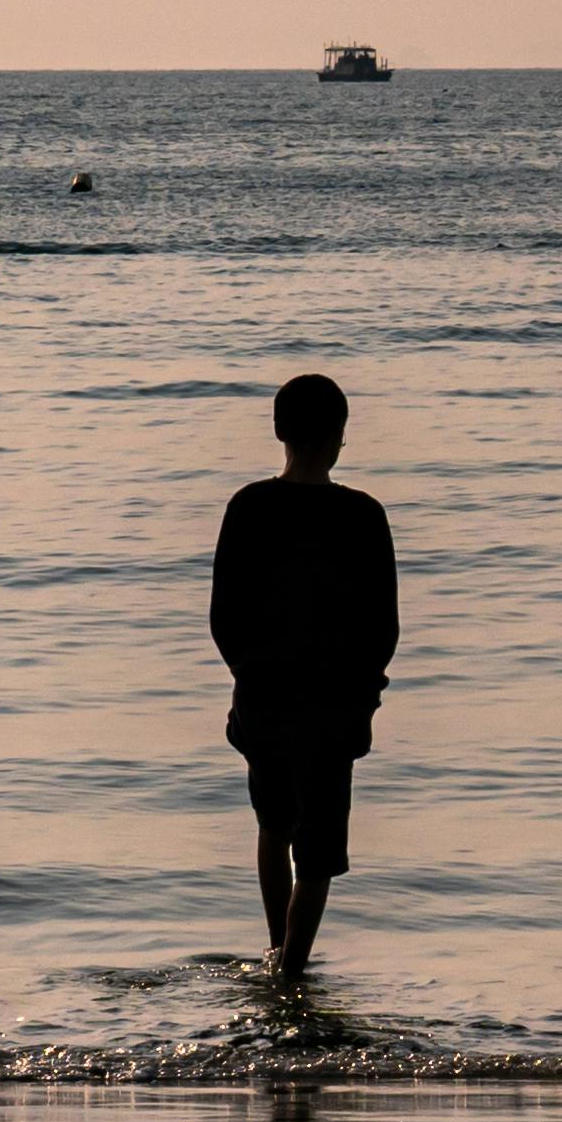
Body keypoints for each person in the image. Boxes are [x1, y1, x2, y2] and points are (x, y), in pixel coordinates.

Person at [209, 373, 397, 984]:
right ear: (341, 437)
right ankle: (292, 967)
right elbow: (382, 627)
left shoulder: (248, 506)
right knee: (317, 851)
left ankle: (274, 951)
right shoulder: (364, 515)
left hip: (264, 699)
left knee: (272, 824)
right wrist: (365, 699)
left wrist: (249, 677)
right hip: (333, 707)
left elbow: (224, 618)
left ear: (277, 432)